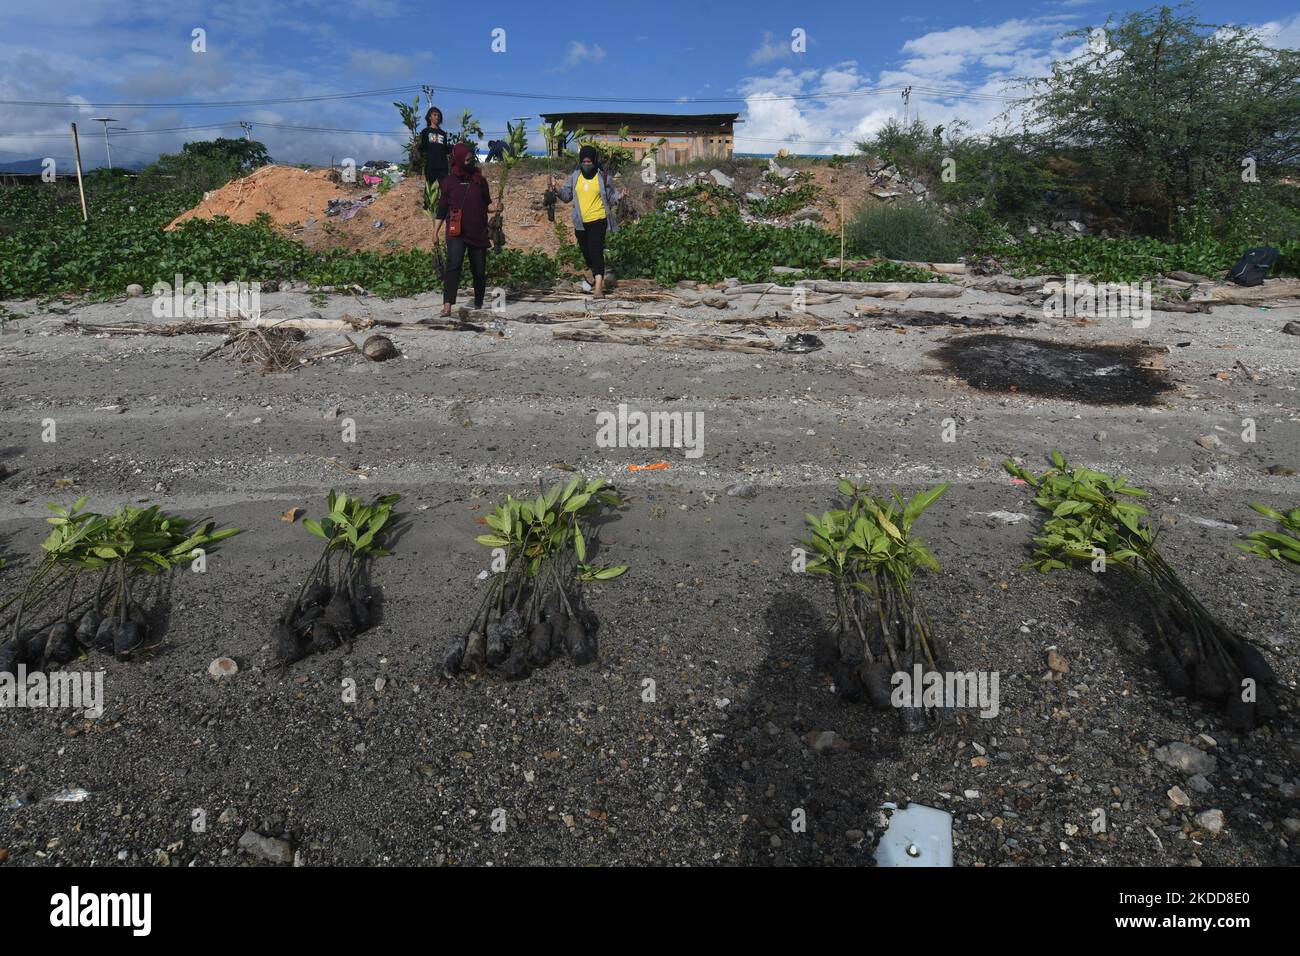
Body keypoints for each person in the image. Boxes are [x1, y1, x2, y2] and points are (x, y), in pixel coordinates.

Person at [550, 145, 624, 299]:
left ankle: (598, 289)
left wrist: (620, 196)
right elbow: (566, 197)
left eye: (589, 161)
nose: (586, 164)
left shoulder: (603, 177)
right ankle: (597, 276)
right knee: (587, 252)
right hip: (580, 222)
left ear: (595, 161)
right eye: (584, 161)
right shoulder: (575, 176)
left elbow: (611, 197)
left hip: (599, 219)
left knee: (596, 251)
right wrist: (555, 187)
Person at [434, 143, 492, 316]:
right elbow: (442, 208)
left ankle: (479, 302)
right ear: (458, 159)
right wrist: (434, 231)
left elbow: (487, 204)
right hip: (456, 231)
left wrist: (496, 207)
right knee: (453, 266)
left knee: (479, 269)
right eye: (466, 159)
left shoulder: (480, 180)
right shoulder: (449, 182)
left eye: (471, 158)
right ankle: (447, 305)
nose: (469, 161)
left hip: (477, 229)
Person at [415, 107, 450, 190]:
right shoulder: (425, 131)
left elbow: (445, 149)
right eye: (435, 115)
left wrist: (455, 147)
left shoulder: (443, 133)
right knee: (430, 191)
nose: (437, 117)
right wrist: (416, 147)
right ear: (429, 117)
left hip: (443, 166)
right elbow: (422, 148)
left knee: (444, 190)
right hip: (430, 166)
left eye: (438, 115)